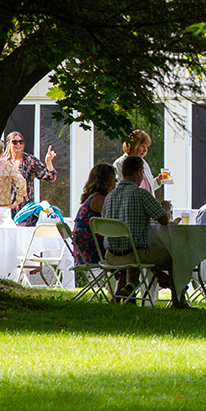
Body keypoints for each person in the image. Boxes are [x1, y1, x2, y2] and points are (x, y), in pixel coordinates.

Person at [100, 156, 187, 308]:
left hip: (111, 255)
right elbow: (164, 221)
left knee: (136, 248)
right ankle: (178, 301)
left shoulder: (109, 197)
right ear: (139, 172)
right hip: (134, 254)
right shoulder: (141, 194)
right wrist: (166, 209)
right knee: (176, 256)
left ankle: (129, 289)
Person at [4, 130, 57, 226]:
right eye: (15, 142)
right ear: (8, 144)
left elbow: (50, 177)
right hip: (6, 208)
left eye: (21, 141)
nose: (18, 144)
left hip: (25, 209)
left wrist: (48, 162)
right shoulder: (3, 161)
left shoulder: (29, 160)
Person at [72, 164, 118, 265]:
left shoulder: (90, 198)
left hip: (82, 252)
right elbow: (113, 225)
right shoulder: (99, 200)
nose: (115, 182)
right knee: (128, 255)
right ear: (106, 180)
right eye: (113, 178)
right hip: (93, 251)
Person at [112, 129, 167, 195]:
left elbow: (147, 188)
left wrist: (158, 181)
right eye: (142, 146)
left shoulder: (144, 163)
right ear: (133, 146)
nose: (145, 150)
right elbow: (120, 189)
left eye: (146, 147)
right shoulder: (120, 164)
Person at [0, 138, 25, 225]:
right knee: (6, 236)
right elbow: (22, 182)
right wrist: (18, 200)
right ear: (2, 153)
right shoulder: (8, 168)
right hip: (4, 208)